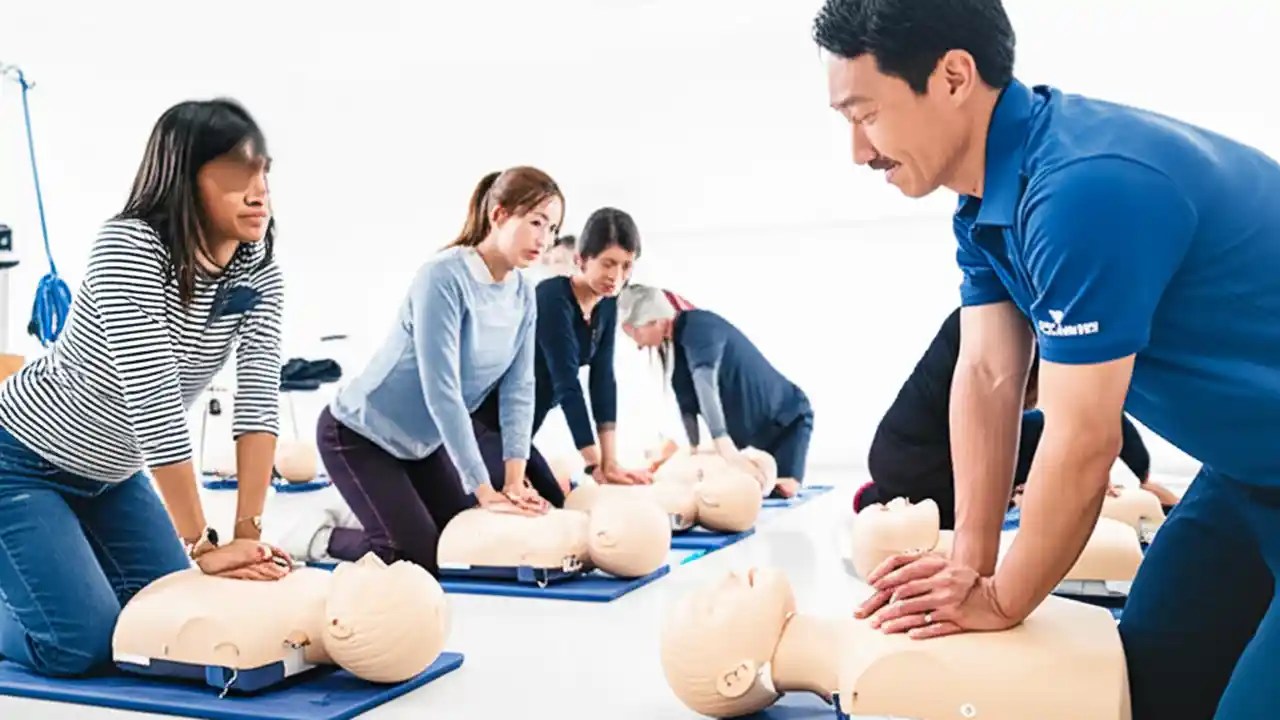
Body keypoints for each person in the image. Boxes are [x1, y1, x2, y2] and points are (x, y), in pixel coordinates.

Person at [813, 1, 1280, 717]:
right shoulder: (987, 204)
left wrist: (1003, 600)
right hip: (1248, 475)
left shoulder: (1082, 187)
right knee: (1146, 676)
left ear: (953, 77)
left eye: (864, 113)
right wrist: (970, 563)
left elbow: (1085, 438)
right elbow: (988, 374)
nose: (856, 150)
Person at [0, 99, 292, 677]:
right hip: (19, 463)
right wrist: (203, 546)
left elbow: (258, 400)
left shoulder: (258, 270)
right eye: (237, 176)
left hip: (112, 477)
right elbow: (153, 403)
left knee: (156, 623)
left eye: (263, 172)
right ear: (186, 179)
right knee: (78, 644)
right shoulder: (128, 246)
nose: (258, 191)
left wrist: (245, 538)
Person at [315, 167, 561, 577]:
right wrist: (483, 488)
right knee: (413, 557)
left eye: (551, 227)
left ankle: (377, 510)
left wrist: (513, 481)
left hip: (421, 445)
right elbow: (442, 389)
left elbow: (521, 388)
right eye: (535, 222)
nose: (544, 238)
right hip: (359, 433)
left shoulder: (522, 294)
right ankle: (318, 535)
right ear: (498, 215)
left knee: (458, 541)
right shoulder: (443, 276)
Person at [856, 307, 1179, 527]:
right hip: (930, 472)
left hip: (892, 457)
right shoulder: (1011, 322)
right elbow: (1092, 410)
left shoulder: (989, 315)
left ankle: (885, 496)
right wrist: (1138, 478)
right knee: (1067, 426)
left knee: (1060, 425)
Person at [501, 207, 651, 488]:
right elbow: (567, 384)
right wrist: (595, 464)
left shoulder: (607, 305)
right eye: (608, 263)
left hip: (524, 428)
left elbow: (602, 379)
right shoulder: (550, 298)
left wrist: (611, 462)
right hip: (494, 419)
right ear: (581, 260)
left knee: (554, 499)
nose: (616, 276)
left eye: (626, 265)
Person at [617, 284, 814, 498]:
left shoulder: (698, 328)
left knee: (781, 489)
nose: (638, 345)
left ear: (653, 320)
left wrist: (724, 445)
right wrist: (692, 454)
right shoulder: (680, 352)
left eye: (636, 334)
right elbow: (688, 408)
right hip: (753, 440)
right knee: (743, 489)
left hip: (787, 420)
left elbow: (705, 386)